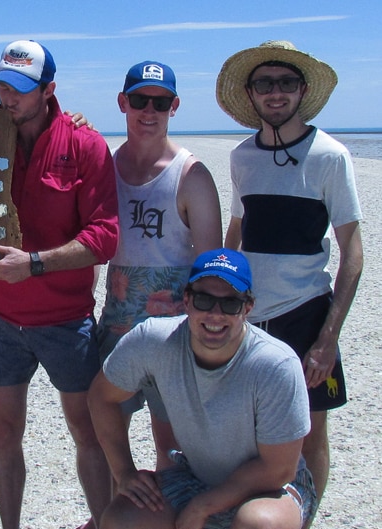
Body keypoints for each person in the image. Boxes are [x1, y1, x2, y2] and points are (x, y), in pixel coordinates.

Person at [0, 39, 119, 529]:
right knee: (4, 433)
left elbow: (104, 236)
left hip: (66, 318)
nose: (8, 97)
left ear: (48, 90)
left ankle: (106, 522)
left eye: (20, 89)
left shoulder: (84, 143)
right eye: (3, 86)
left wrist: (32, 263)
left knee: (87, 431)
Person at [217, 40, 363, 513]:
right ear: (251, 93)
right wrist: (220, 301)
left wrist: (328, 337)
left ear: (302, 91)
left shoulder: (331, 156)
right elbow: (235, 231)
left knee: (311, 427)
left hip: (306, 313)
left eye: (285, 83)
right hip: (251, 317)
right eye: (265, 84)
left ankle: (307, 516)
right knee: (253, 425)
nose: (275, 93)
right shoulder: (242, 157)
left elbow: (352, 254)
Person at [90, 248, 317, 529]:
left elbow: (279, 468)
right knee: (122, 520)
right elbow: (102, 397)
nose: (215, 314)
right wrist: (123, 470)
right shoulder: (153, 341)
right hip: (195, 476)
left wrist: (202, 506)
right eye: (204, 300)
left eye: (230, 304)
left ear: (248, 307)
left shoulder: (275, 365)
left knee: (258, 524)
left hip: (271, 488)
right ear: (187, 300)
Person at [96, 61, 222, 471]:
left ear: (175, 106)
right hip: (115, 322)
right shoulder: (104, 167)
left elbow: (211, 268)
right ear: (122, 103)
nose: (149, 112)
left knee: (171, 444)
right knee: (108, 436)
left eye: (161, 102)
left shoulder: (192, 175)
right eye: (139, 100)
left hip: (174, 335)